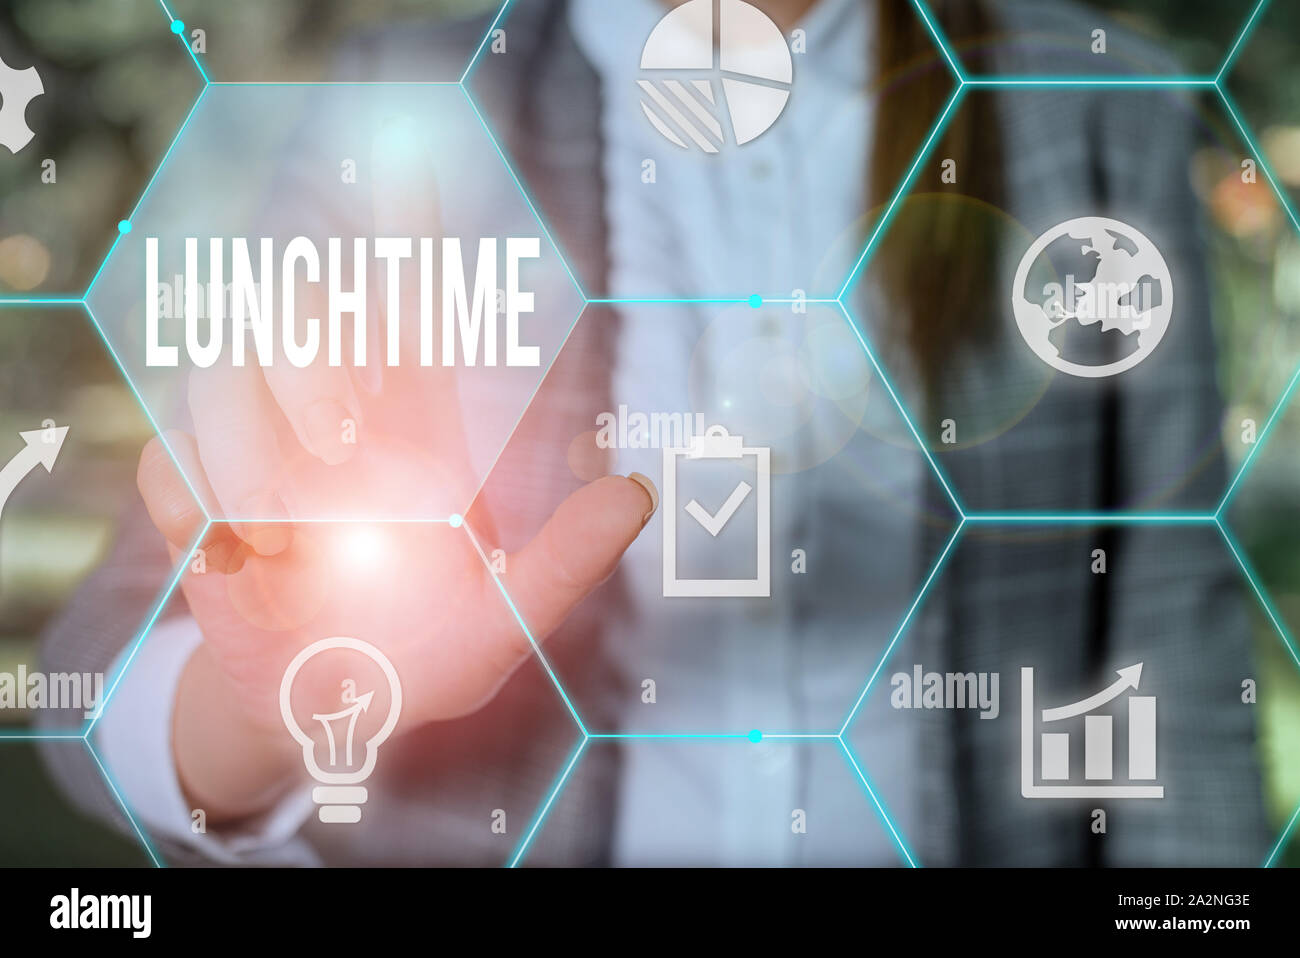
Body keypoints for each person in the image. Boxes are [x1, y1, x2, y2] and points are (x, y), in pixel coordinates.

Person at [40, 0, 1269, 866]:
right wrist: (284, 699)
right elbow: (94, 686)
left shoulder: (1094, 108)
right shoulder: (402, 110)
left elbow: (1167, 636)